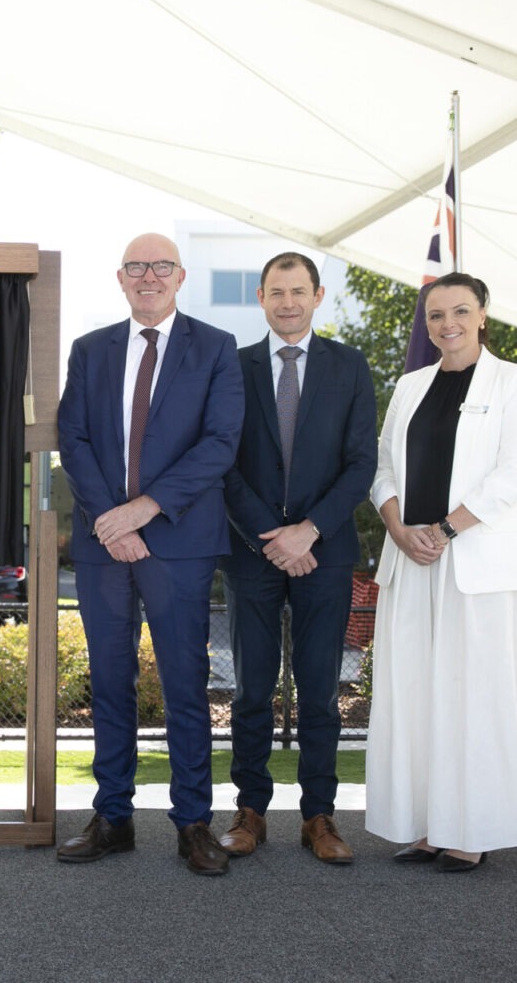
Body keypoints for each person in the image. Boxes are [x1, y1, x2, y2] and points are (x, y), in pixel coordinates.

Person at [56, 233, 243, 875]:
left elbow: (220, 443)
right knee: (110, 683)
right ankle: (113, 817)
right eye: (137, 266)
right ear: (120, 277)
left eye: (160, 266)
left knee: (186, 686)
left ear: (180, 276)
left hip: (180, 544)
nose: (149, 276)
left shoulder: (216, 349)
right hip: (104, 543)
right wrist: (112, 521)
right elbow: (73, 438)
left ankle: (194, 823)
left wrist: (145, 509)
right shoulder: (90, 350)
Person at [365, 272, 517, 872]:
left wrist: (443, 530)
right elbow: (382, 467)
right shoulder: (410, 385)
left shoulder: (516, 381)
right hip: (410, 559)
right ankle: (424, 826)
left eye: (460, 311)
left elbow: (512, 478)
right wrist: (398, 528)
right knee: (416, 696)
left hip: (475, 564)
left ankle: (472, 831)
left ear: (484, 314)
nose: (448, 324)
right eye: (436, 314)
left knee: (475, 698)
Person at [219, 252, 377, 864]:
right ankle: (250, 811)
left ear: (318, 297)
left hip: (326, 552)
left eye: (299, 291)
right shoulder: (232, 369)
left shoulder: (349, 366)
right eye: (276, 291)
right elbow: (222, 462)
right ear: (260, 297)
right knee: (251, 690)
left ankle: (320, 817)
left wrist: (307, 531)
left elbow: (361, 462)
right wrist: (271, 534)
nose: (288, 302)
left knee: (318, 692)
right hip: (251, 552)